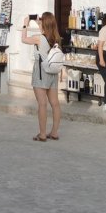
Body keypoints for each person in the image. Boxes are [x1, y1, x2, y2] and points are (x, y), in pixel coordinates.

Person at [21, 12, 61, 141]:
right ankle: (54, 132)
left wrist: (25, 25)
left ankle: (42, 134)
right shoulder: (56, 38)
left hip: (41, 73)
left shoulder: (39, 38)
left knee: (42, 104)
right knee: (55, 104)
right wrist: (40, 23)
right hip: (53, 73)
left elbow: (23, 39)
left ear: (44, 23)